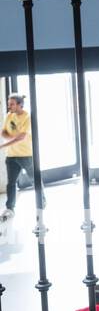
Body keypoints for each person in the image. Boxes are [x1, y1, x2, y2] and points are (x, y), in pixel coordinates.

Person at [1, 93, 31, 222]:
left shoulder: (27, 117)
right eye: (9, 104)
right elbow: (3, 132)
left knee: (34, 179)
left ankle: (42, 201)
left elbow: (22, 137)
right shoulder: (9, 115)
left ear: (20, 104)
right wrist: (14, 137)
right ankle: (10, 208)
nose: (9, 106)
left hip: (26, 155)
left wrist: (3, 145)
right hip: (12, 156)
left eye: (12, 104)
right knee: (11, 183)